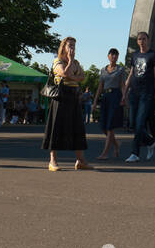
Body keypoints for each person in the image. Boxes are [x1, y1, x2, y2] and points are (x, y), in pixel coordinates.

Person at [43, 36, 91, 170]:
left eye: (74, 46)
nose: (72, 48)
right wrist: (70, 62)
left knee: (78, 128)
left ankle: (80, 160)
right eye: (69, 45)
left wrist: (72, 74)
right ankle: (53, 161)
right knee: (56, 128)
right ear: (63, 47)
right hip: (61, 96)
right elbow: (63, 73)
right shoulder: (57, 61)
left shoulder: (76, 62)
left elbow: (82, 77)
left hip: (74, 96)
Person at [123, 32, 155, 163]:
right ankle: (151, 142)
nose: (141, 41)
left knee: (139, 123)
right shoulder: (135, 55)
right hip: (134, 93)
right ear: (137, 41)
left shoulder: (153, 55)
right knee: (133, 124)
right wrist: (124, 92)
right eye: (139, 39)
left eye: (144, 39)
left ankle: (135, 153)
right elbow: (131, 74)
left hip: (147, 93)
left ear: (148, 40)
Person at [95, 50, 125, 160]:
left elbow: (122, 84)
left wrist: (124, 96)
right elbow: (100, 86)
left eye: (116, 55)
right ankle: (116, 144)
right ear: (108, 56)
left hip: (115, 96)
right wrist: (95, 101)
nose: (114, 56)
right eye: (112, 54)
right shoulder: (103, 70)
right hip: (105, 97)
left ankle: (105, 153)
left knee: (110, 126)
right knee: (103, 126)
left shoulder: (120, 69)